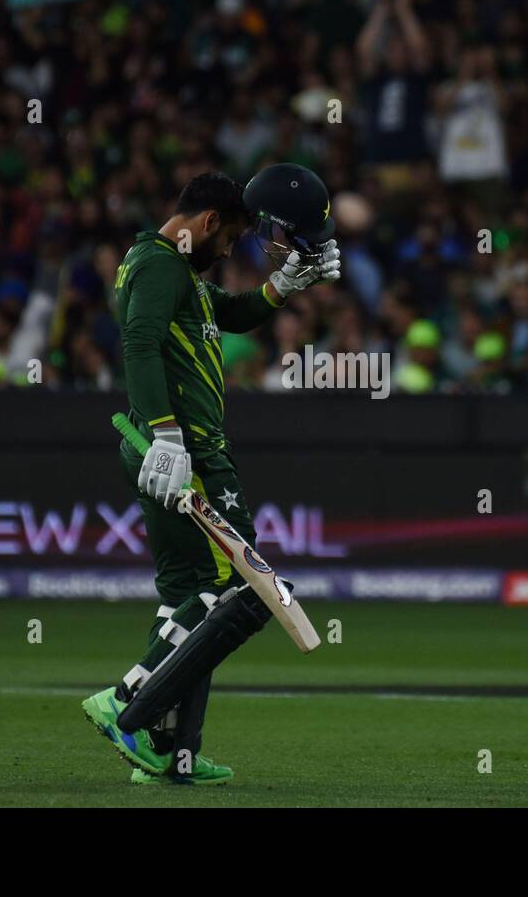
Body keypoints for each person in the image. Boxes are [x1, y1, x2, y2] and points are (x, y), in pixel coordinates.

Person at [81, 167, 340, 785]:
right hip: (184, 449)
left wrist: (284, 284)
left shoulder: (177, 273)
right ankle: (126, 702)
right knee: (244, 593)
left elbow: (235, 312)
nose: (229, 252)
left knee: (186, 597)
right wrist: (167, 434)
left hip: (176, 448)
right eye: (228, 240)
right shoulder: (159, 265)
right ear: (207, 222)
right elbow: (139, 344)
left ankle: (174, 754)